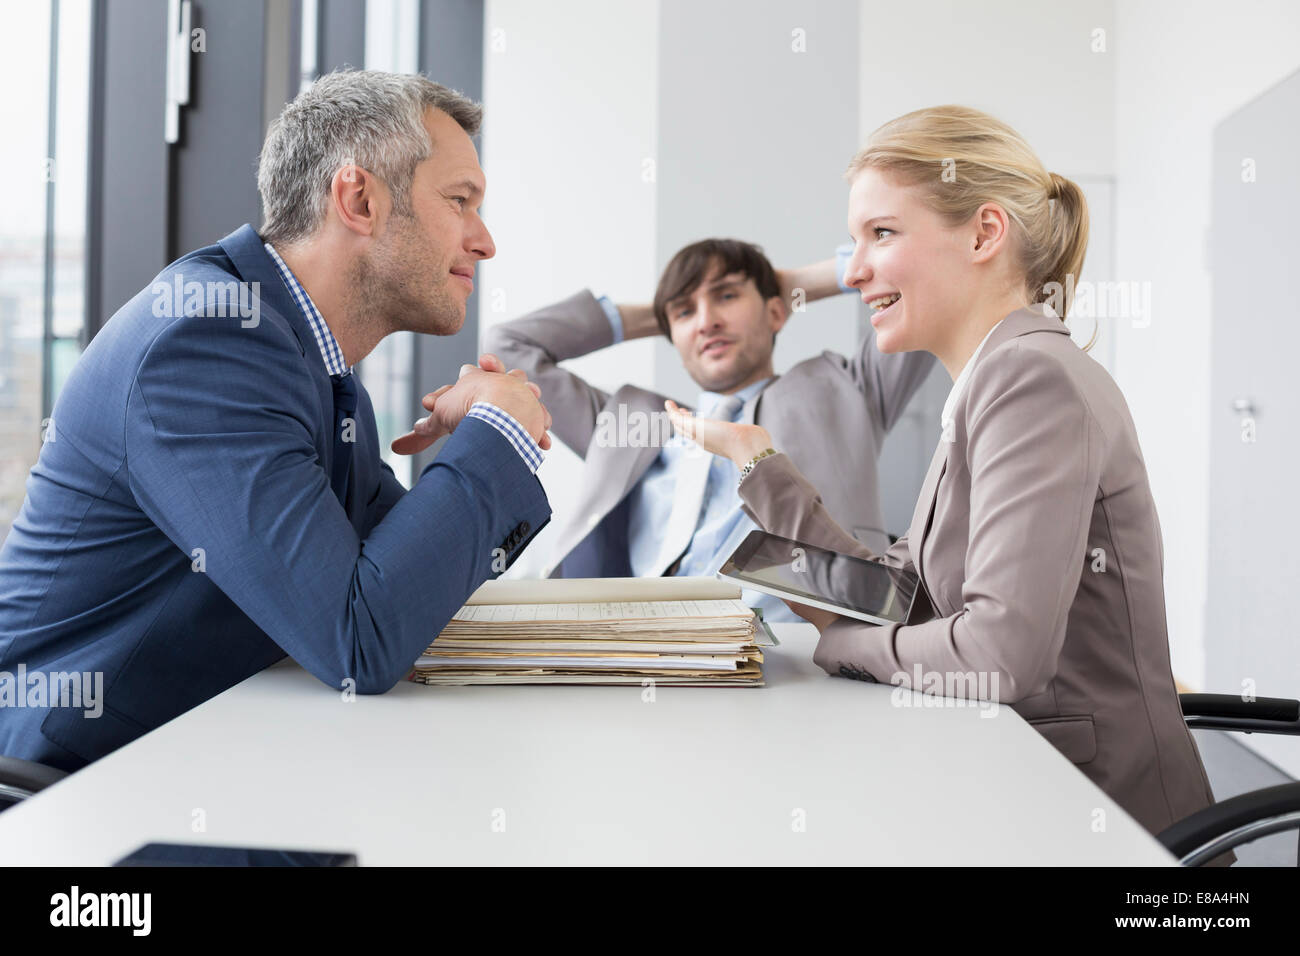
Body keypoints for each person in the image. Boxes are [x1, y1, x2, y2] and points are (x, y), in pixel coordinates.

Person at [666, 105, 1224, 846]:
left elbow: (999, 652)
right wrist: (757, 461)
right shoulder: (989, 382)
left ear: (985, 234)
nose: (855, 269)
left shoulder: (1031, 380)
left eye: (882, 234)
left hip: (1099, 816)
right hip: (1013, 778)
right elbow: (906, 593)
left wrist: (843, 647)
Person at [0, 70, 553, 771]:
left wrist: (479, 441)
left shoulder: (308, 357)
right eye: (460, 201)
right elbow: (359, 638)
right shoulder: (205, 342)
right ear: (358, 200)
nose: (485, 241)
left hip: (207, 758)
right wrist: (494, 436)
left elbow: (402, 586)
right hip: (80, 788)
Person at [425, 240, 934, 619]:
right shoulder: (632, 427)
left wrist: (790, 284)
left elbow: (919, 274)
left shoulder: (846, 388)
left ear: (777, 310)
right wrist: (663, 312)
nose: (707, 320)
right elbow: (509, 344)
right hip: (654, 653)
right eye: (686, 312)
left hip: (807, 644)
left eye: (728, 296)